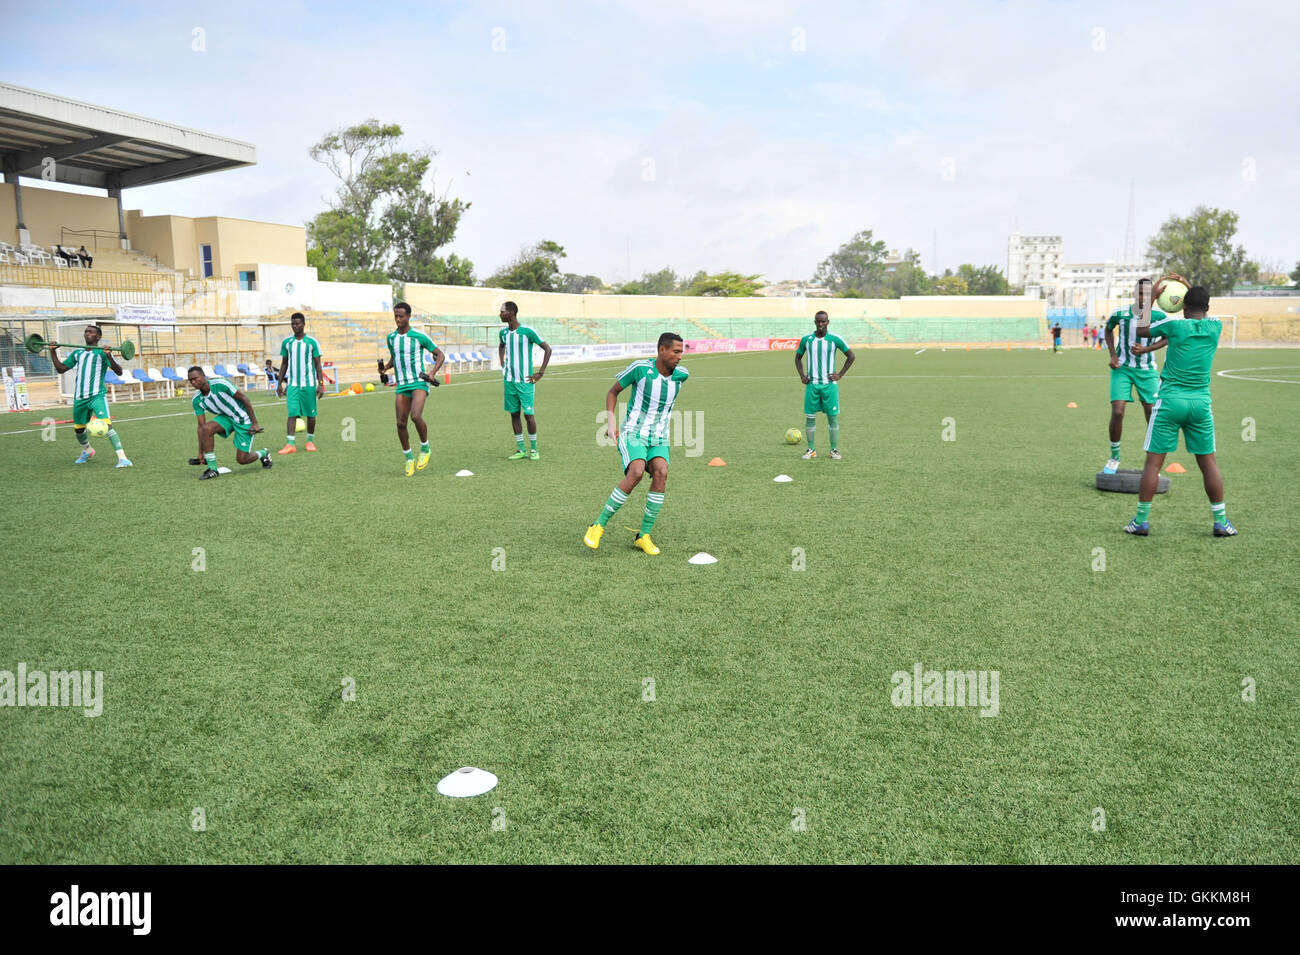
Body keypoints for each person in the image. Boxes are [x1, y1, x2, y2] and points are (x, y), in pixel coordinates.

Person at [1124, 285, 1235, 537]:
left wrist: (1151, 299)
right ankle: (1221, 522)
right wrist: (1187, 287)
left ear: (1182, 307)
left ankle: (1141, 521)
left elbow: (1141, 331)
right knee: (1209, 465)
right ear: (1207, 308)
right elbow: (1197, 307)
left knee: (1153, 464)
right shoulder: (1215, 327)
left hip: (1170, 403)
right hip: (1200, 405)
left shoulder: (1174, 326)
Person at [584, 333, 688, 555]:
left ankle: (643, 536)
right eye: (676, 352)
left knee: (661, 472)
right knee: (637, 472)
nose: (680, 356)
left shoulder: (682, 375)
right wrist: (611, 421)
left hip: (659, 437)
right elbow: (613, 392)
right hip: (633, 433)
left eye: (682, 352)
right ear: (662, 350)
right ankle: (597, 525)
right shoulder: (640, 368)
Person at [1102, 277, 1170, 474]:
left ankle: (1153, 463)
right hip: (1122, 368)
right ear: (1134, 293)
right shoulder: (1120, 313)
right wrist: (1113, 355)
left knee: (1152, 413)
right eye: (1140, 293)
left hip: (1147, 370)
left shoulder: (1158, 316)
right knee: (1118, 411)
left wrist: (1148, 348)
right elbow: (1108, 330)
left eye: (1148, 294)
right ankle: (1114, 457)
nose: (1143, 297)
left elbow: (1167, 338)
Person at [48, 324, 132, 468]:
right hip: (80, 398)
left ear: (98, 337)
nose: (87, 334)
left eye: (91, 332)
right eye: (86, 332)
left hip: (96, 396)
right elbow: (61, 369)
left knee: (107, 425)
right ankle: (87, 450)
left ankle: (123, 459)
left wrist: (109, 356)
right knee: (79, 429)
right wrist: (52, 352)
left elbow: (119, 372)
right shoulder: (77, 353)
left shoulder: (101, 353)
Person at [380, 302, 445, 477]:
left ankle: (425, 448)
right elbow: (395, 357)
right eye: (396, 316)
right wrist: (385, 368)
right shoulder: (391, 338)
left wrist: (432, 372)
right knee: (401, 422)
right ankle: (409, 459)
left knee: (415, 416)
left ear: (409, 316)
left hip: (419, 382)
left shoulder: (419, 336)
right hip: (402, 384)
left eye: (401, 316)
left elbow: (440, 354)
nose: (398, 319)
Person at [187, 366, 272, 479]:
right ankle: (212, 469)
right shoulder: (197, 400)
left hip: (243, 418)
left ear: (203, 376)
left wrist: (255, 423)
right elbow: (201, 427)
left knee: (242, 459)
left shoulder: (221, 384)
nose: (193, 382)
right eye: (190, 380)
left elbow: (244, 399)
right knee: (206, 429)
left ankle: (263, 453)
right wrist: (200, 453)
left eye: (195, 378)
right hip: (226, 418)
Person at [794, 310, 854, 460]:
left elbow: (851, 356)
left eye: (823, 321)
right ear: (815, 322)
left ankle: (834, 450)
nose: (820, 324)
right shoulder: (807, 339)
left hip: (829, 386)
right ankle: (811, 449)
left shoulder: (835, 339)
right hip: (812, 385)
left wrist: (840, 374)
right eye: (818, 321)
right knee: (810, 417)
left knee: (832, 418)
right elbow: (797, 358)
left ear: (828, 322)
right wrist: (802, 376)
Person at [498, 301, 552, 460]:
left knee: (528, 414)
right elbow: (501, 346)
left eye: (502, 311)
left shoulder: (527, 331)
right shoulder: (503, 333)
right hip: (509, 381)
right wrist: (501, 361)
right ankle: (521, 449)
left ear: (512, 312)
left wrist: (540, 373)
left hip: (526, 381)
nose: (500, 314)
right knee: (514, 414)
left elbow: (547, 349)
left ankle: (534, 449)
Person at [275, 312, 325, 454]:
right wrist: (279, 384)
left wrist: (320, 384)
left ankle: (310, 441)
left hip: (308, 384)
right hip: (293, 385)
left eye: (297, 323)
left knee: (311, 415)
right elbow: (284, 364)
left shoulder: (312, 342)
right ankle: (290, 443)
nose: (295, 326)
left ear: (303, 324)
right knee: (292, 413)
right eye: (293, 324)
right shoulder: (287, 343)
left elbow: (318, 365)